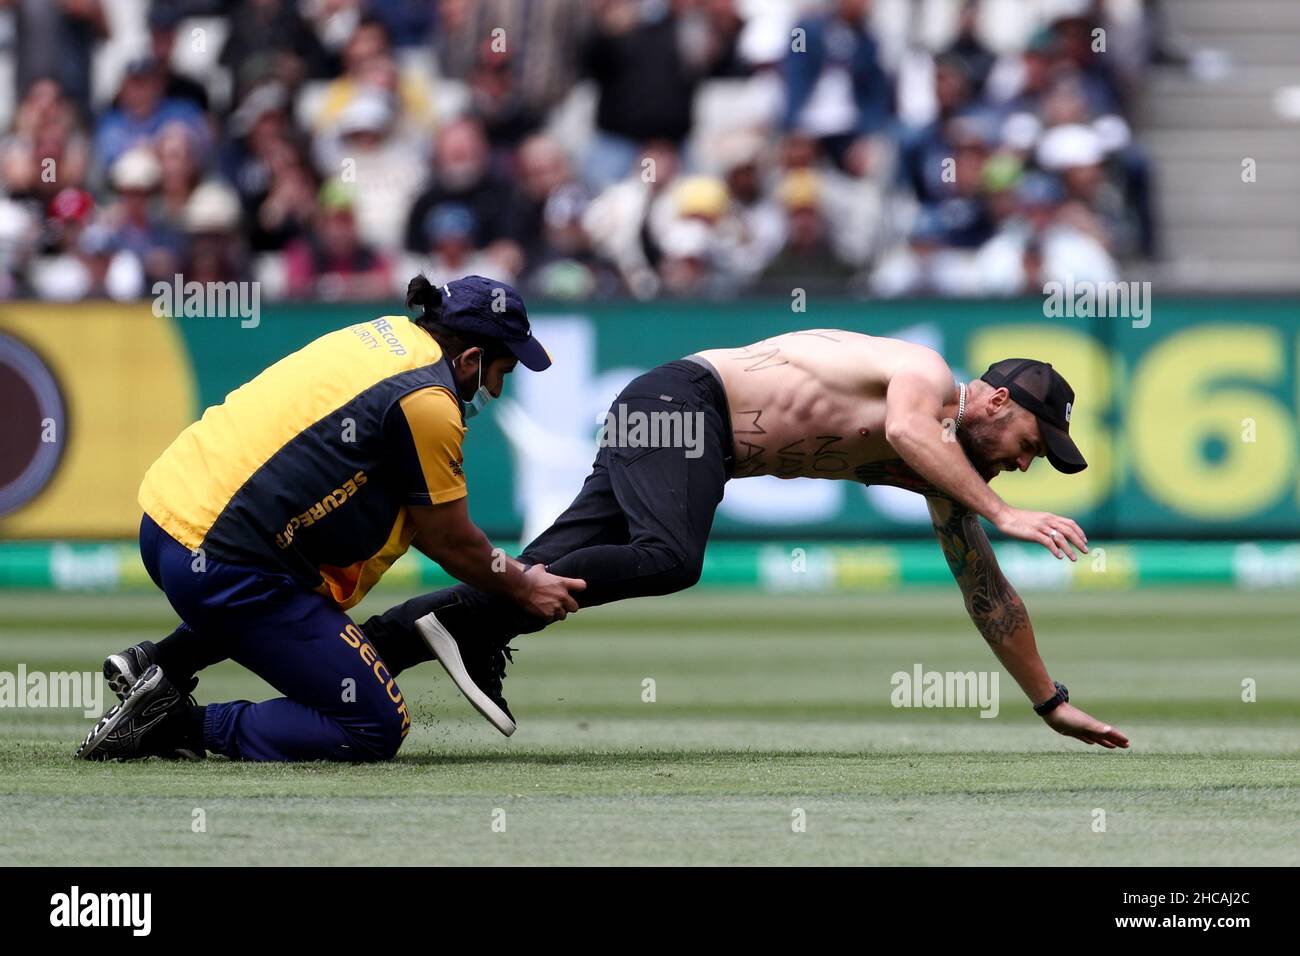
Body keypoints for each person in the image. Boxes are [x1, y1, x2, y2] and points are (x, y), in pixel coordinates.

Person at [358, 330, 1129, 750]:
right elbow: (902, 428)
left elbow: (986, 591)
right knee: (670, 559)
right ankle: (464, 625)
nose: (1030, 461)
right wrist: (1002, 511)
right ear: (995, 399)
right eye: (1034, 439)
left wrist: (1048, 701)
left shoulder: (942, 468)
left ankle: (364, 653)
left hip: (679, 430)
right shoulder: (925, 379)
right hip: (681, 404)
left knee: (537, 577)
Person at [76, 275, 585, 762]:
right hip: (222, 564)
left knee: (324, 557)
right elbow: (448, 539)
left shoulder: (380, 334)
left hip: (165, 519)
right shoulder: (430, 401)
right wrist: (522, 587)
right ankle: (170, 723)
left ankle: (161, 665)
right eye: (502, 372)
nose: (497, 388)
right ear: (472, 357)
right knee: (375, 725)